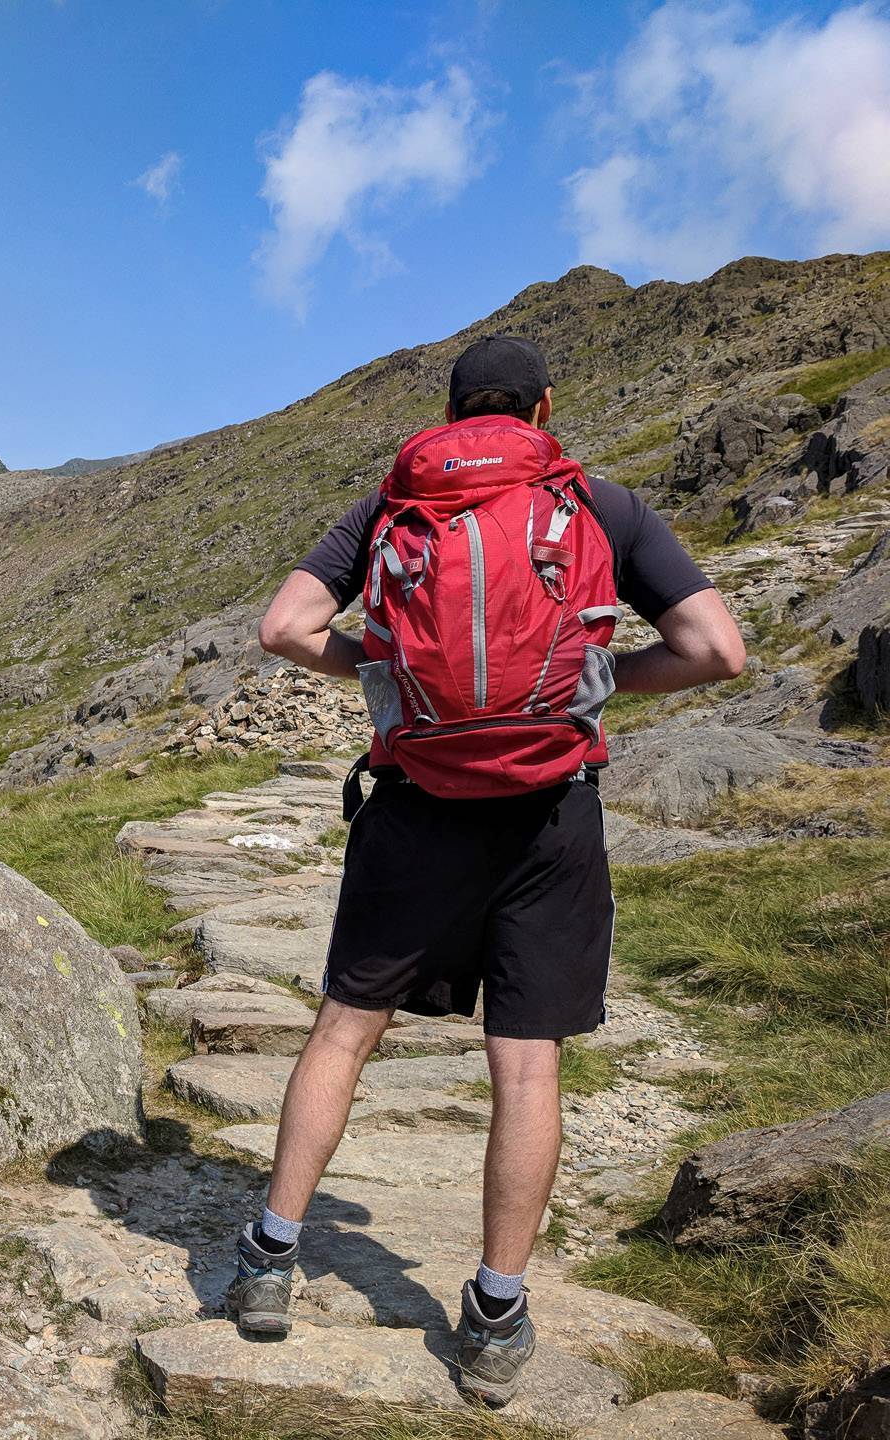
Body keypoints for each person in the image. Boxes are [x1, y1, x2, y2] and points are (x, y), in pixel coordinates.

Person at [231, 335, 745, 1404]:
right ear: (545, 407)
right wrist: (594, 685)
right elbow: (716, 650)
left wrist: (382, 674)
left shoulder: (392, 507)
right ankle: (496, 1316)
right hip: (548, 816)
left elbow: (283, 628)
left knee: (343, 1031)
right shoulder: (598, 505)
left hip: (416, 806)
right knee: (526, 1062)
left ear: (454, 412)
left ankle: (271, 1259)